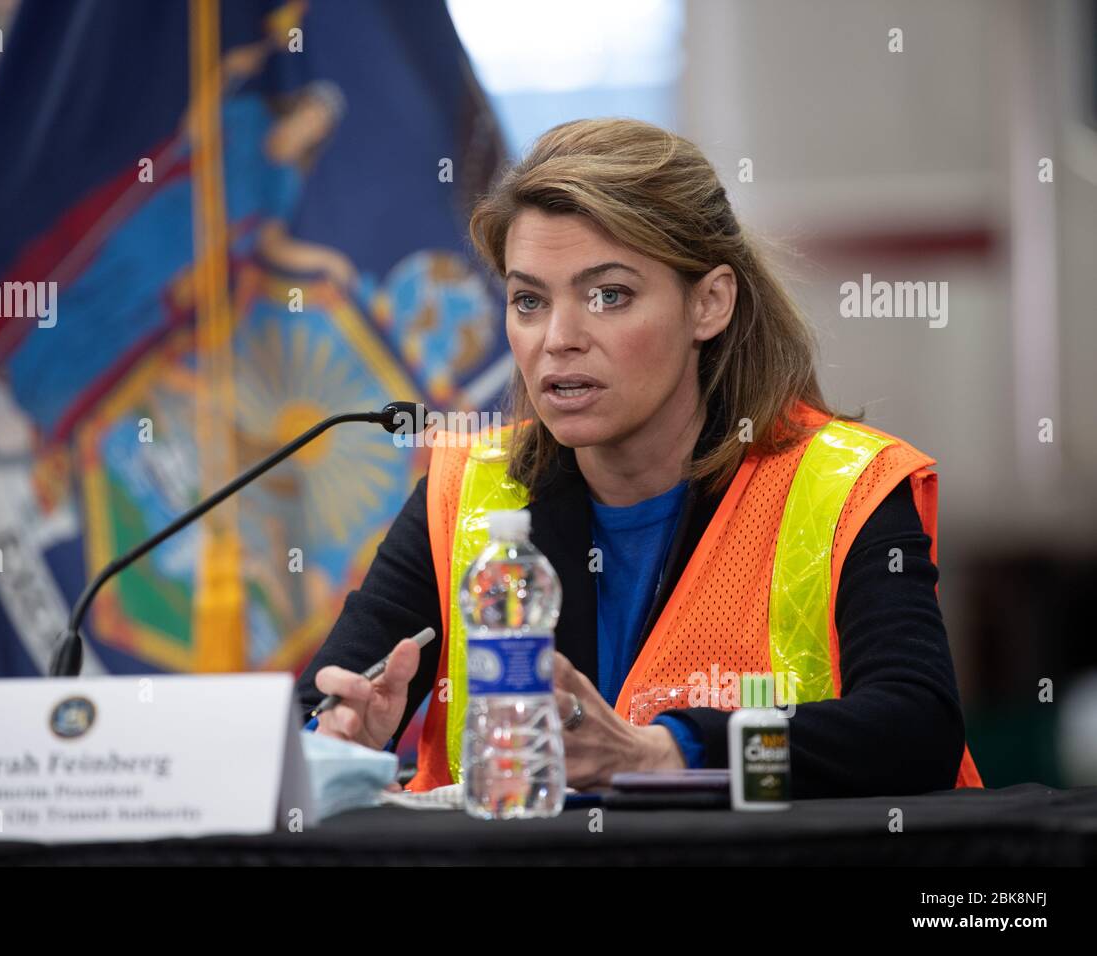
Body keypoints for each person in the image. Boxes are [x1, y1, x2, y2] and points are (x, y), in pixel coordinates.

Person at [297, 118, 983, 799]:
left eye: (609, 296)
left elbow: (916, 730)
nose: (558, 338)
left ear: (709, 304)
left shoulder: (846, 486)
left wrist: (669, 752)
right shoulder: (465, 490)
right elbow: (317, 716)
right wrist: (339, 743)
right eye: (529, 301)